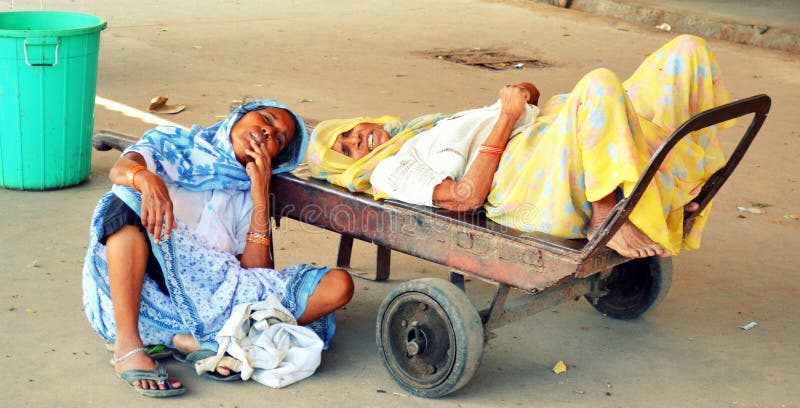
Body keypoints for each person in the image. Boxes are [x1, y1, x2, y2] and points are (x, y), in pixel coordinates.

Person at [306, 35, 731, 259]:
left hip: (539, 141)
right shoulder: (388, 170)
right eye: (346, 150)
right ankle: (607, 216)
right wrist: (508, 118)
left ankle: (663, 191)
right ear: (350, 166)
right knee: (599, 84)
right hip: (518, 188)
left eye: (349, 131)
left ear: (361, 120)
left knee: (686, 52)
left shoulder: (420, 128)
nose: (356, 141)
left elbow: (510, 111)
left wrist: (521, 96)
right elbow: (464, 198)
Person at [82, 100, 354, 397]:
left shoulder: (247, 191)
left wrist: (260, 195)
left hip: (217, 298)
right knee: (124, 199)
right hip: (148, 290)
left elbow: (255, 275)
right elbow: (121, 170)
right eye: (266, 119)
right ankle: (128, 345)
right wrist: (145, 179)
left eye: (278, 139)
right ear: (237, 117)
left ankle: (186, 339)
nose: (267, 132)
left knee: (338, 285)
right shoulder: (173, 143)